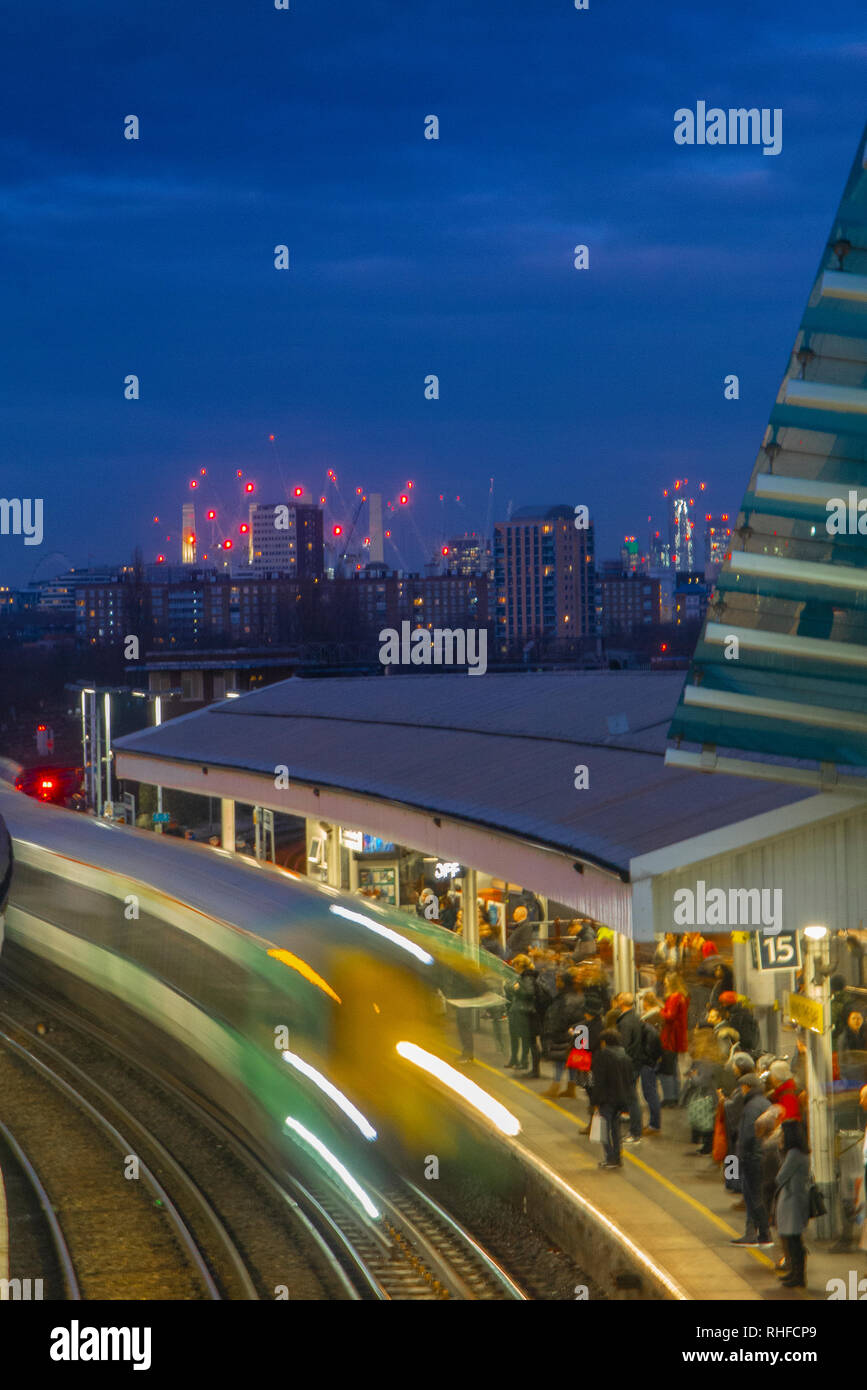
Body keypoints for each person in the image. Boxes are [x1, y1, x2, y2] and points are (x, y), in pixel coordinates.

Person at [730, 1070, 773, 1248]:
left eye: (742, 1087)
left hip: (752, 1156)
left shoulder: (751, 1107)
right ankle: (755, 1233)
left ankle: (762, 1234)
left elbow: (747, 1134)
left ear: (747, 1087)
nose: (741, 1090)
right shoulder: (766, 1102)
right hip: (766, 1155)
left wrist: (740, 1154)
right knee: (757, 1195)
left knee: (752, 1196)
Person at [588, 1028, 634, 1170]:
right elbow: (630, 1080)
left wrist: (594, 1101)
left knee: (603, 1130)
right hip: (621, 1098)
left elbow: (599, 1080)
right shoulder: (625, 1057)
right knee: (615, 1130)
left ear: (604, 1042)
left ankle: (610, 1158)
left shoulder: (602, 1056)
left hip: (606, 1099)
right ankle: (617, 1158)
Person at [773, 1120, 811, 1287]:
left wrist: (781, 1152)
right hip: (795, 1199)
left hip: (792, 1201)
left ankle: (798, 1276)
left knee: (794, 1240)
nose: (781, 1136)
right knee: (794, 1239)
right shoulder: (801, 1152)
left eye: (783, 1133)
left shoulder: (794, 1154)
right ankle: (795, 1273)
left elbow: (780, 1176)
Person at [541, 971, 585, 1098]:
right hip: (577, 1032)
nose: (556, 982)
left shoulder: (563, 999)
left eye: (559, 980)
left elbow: (559, 1018)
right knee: (572, 1060)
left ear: (564, 982)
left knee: (559, 1061)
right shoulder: (579, 996)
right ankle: (571, 1088)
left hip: (563, 1033)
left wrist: (551, 1033)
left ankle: (555, 1087)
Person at [683, 1028, 724, 1154]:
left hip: (706, 1096)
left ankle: (707, 1148)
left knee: (706, 1123)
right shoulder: (714, 1058)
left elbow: (702, 1082)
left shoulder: (705, 1062)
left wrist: (692, 1076)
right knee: (709, 1121)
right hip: (712, 1095)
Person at [614, 994, 646, 1144]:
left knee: (632, 1098)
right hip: (636, 1062)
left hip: (628, 1064)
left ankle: (635, 1132)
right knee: (632, 1097)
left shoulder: (625, 1022)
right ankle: (634, 1129)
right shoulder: (635, 1017)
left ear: (621, 1002)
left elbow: (624, 1045)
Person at [504, 954, 543, 1077]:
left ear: (519, 965)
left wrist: (517, 989)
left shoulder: (527, 978)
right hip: (523, 1011)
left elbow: (528, 993)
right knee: (526, 1039)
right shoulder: (525, 976)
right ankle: (524, 1063)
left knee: (528, 1040)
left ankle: (529, 1065)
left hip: (525, 1012)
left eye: (515, 965)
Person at [659, 972, 689, 1104]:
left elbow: (669, 1016)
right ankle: (676, 1096)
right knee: (674, 1067)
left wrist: (659, 1011)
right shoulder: (682, 997)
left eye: (666, 981)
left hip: (670, 1037)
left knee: (668, 1069)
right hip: (677, 1036)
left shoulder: (674, 997)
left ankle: (670, 1097)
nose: (664, 983)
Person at [639, 992, 664, 1133]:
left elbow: (651, 1043)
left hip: (649, 1061)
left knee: (650, 1092)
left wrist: (646, 1058)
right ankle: (654, 1124)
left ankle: (654, 1125)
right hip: (653, 1059)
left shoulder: (650, 1018)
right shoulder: (656, 1015)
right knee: (650, 1091)